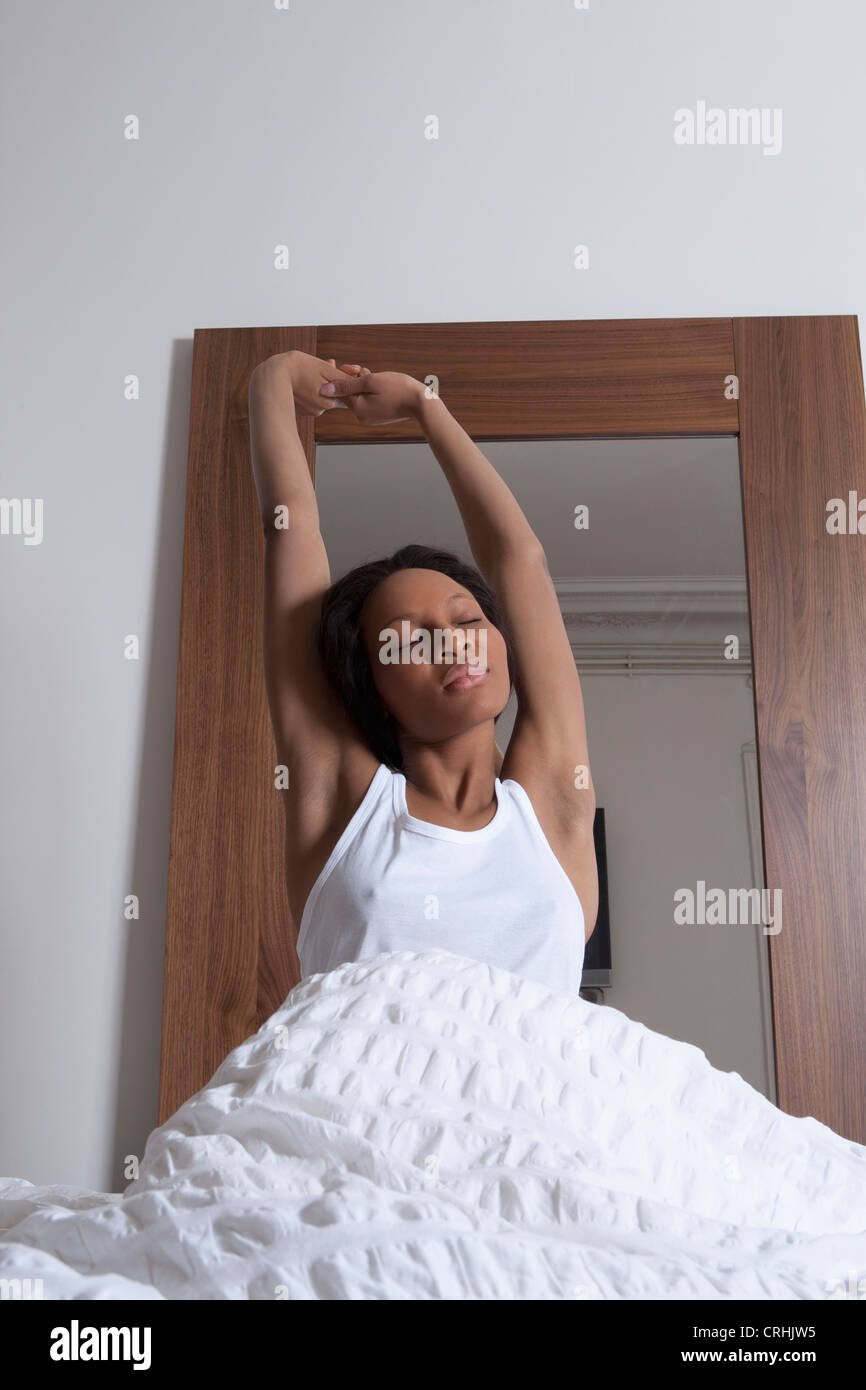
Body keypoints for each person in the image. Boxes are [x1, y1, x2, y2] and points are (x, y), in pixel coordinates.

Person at [248, 350, 598, 995]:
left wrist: (424, 407)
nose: (454, 645)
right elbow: (289, 529)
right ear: (371, 687)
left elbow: (519, 559)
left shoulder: (553, 803)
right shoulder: (343, 802)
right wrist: (270, 382)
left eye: (467, 622)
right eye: (411, 639)